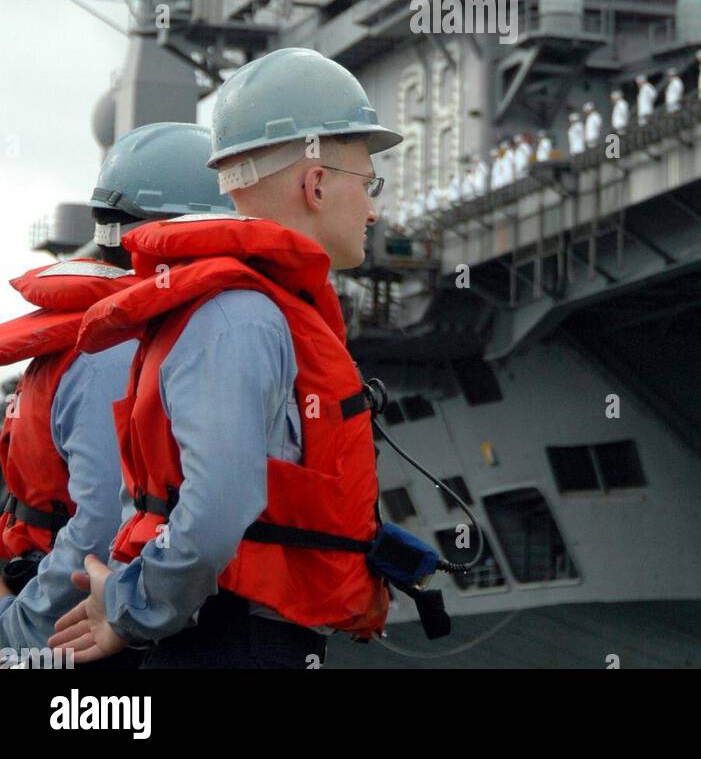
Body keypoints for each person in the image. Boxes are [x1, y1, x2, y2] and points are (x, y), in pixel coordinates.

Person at [51, 48, 404, 670]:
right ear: (316, 183)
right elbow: (217, 513)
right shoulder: (243, 316)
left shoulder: (234, 310)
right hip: (232, 644)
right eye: (367, 183)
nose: (374, 209)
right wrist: (134, 610)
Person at [0, 123, 231, 667]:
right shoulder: (112, 348)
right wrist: (20, 630)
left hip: (61, 612)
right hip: (69, 627)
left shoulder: (97, 336)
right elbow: (100, 526)